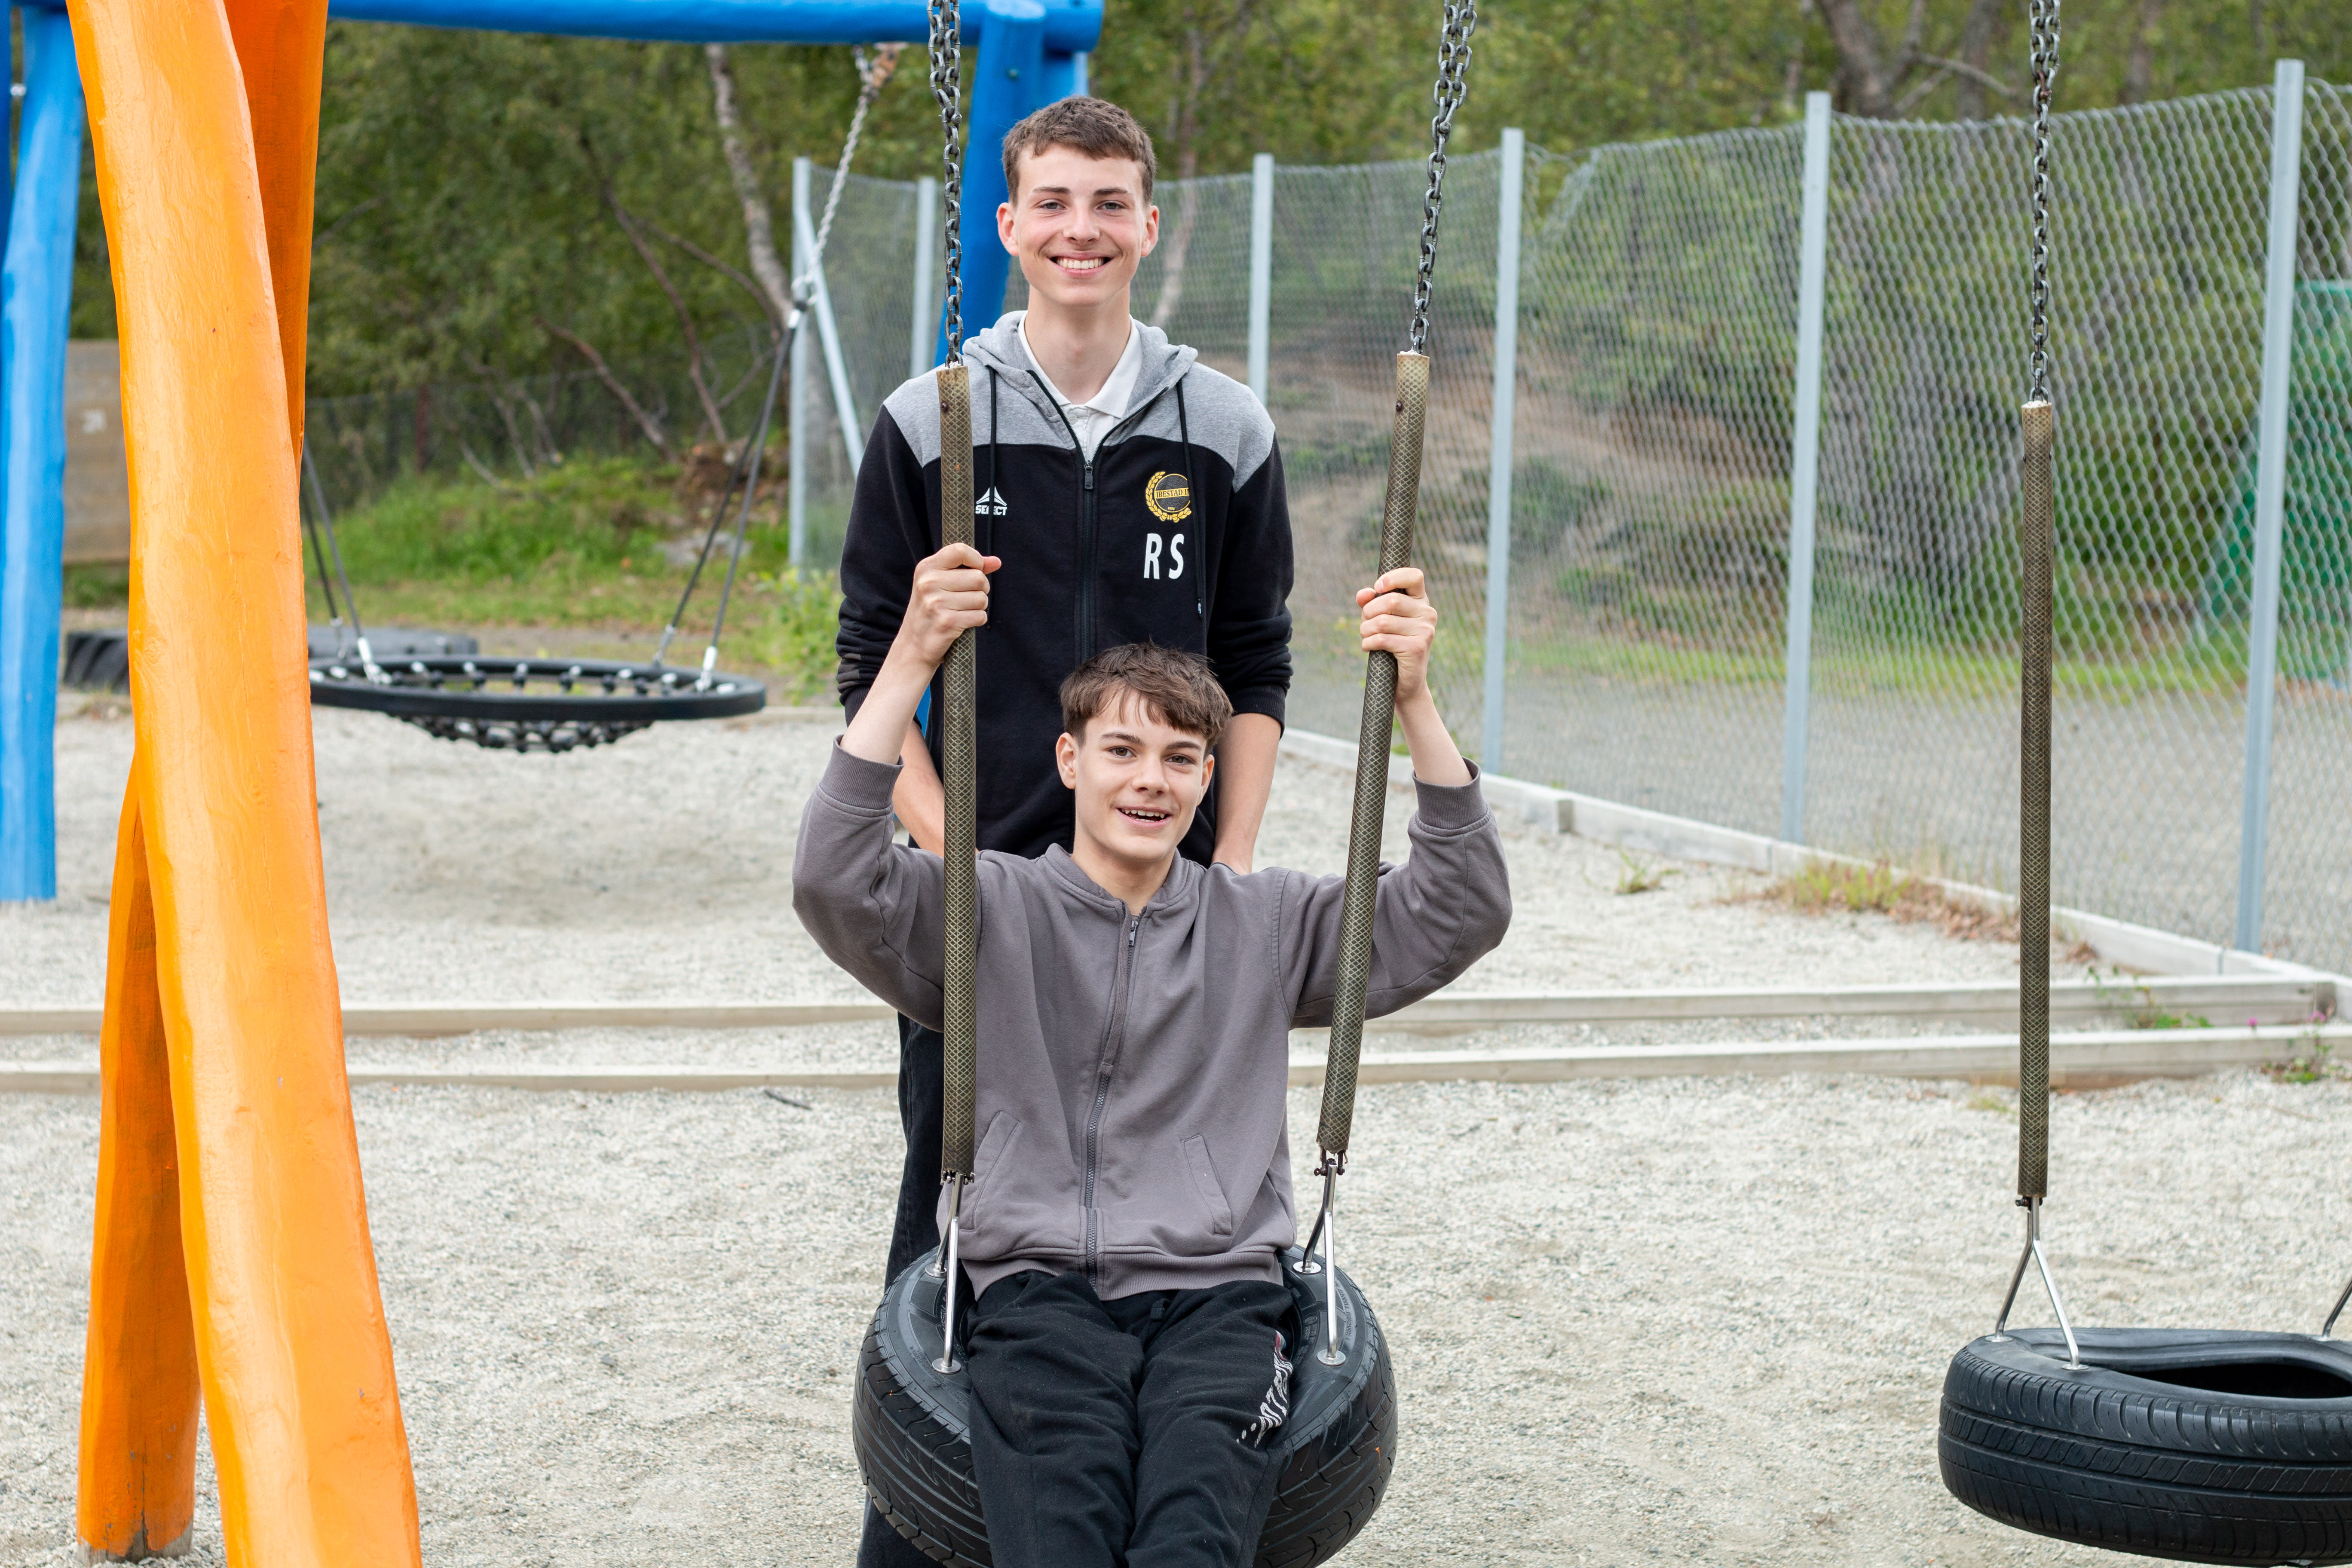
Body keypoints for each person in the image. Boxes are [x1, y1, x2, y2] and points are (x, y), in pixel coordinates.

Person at [795, 542, 1510, 1568]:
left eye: (1181, 759)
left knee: (1192, 1539)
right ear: (1069, 761)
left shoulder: (1266, 924)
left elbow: (1461, 908)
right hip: (1034, 1290)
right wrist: (910, 660)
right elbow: (832, 876)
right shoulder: (984, 907)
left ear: (1209, 779)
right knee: (1062, 1538)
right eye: (1123, 751)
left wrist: (1417, 706)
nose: (1151, 781)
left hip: (1223, 1296)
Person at [832, 95, 1296, 1565]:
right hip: (995, 895)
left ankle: (1177, 1495)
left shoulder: (1221, 426)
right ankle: (919, 1516)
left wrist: (1221, 876)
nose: (1082, 229)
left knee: (1178, 1200)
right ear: (1009, 226)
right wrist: (947, 859)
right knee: (961, 1196)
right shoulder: (932, 419)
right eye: (1055, 203)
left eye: (1111, 203)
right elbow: (868, 671)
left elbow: (1258, 667)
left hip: (1162, 893)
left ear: (1148, 227)